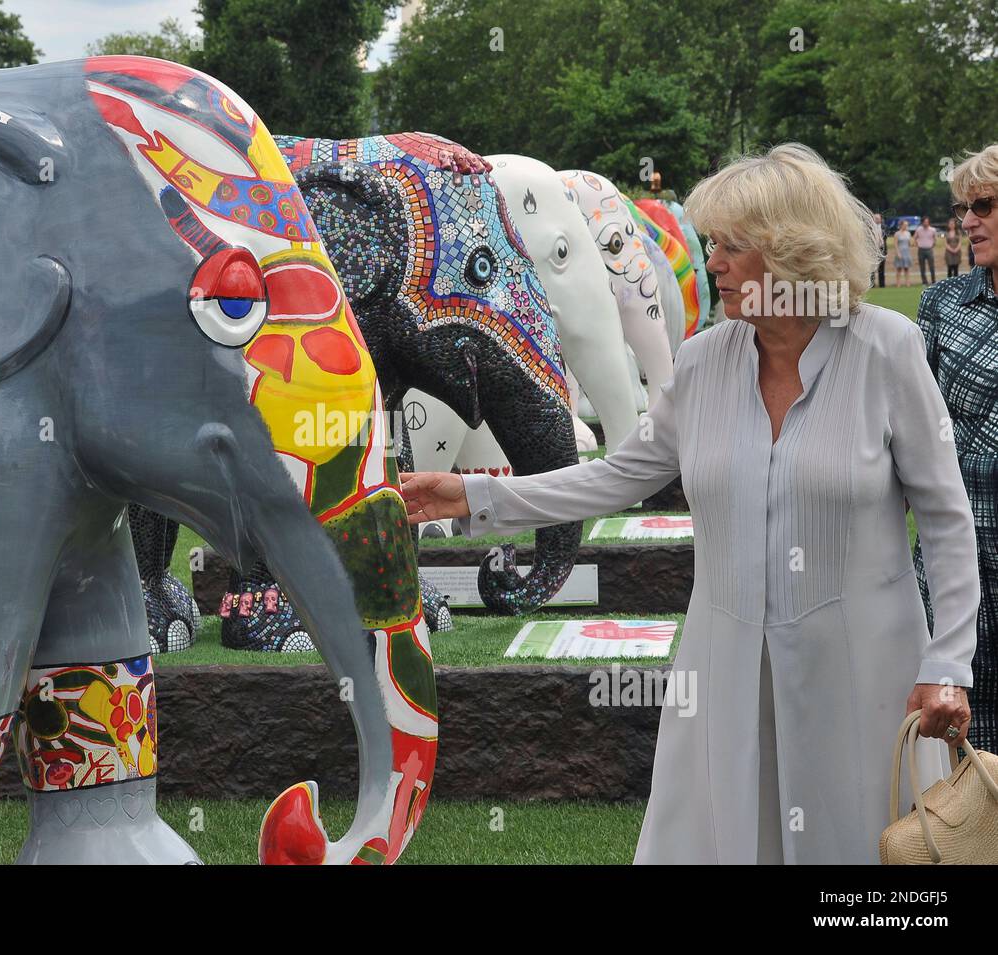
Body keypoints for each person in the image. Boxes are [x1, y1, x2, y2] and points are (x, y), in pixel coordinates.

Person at [400, 143, 978, 865]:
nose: (713, 264)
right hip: (724, 669)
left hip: (866, 674)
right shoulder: (704, 361)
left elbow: (948, 520)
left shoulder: (887, 348)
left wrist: (948, 660)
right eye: (712, 245)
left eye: (731, 246)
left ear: (792, 249)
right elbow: (620, 475)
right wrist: (478, 495)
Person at [915, 143, 998, 755]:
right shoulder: (943, 305)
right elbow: (900, 426)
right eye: (964, 208)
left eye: (984, 205)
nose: (967, 221)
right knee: (958, 727)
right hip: (958, 556)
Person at [915, 215, 938, 285]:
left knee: (931, 266)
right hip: (921, 249)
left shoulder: (933, 230)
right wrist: (917, 244)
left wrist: (933, 244)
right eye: (924, 222)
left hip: (929, 249)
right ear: (922, 222)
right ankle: (924, 282)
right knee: (922, 267)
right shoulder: (919, 229)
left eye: (927, 222)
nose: (926, 223)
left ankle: (933, 281)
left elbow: (935, 239)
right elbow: (915, 237)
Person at [894, 219, 912, 286]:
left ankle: (907, 283)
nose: (906, 226)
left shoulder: (908, 233)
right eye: (904, 225)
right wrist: (898, 253)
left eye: (907, 225)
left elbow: (909, 243)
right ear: (901, 225)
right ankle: (898, 283)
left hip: (906, 252)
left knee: (907, 268)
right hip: (900, 252)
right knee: (899, 268)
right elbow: (895, 244)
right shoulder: (897, 234)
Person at [872, 212, 888, 287]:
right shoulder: (870, 228)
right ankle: (872, 284)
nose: (876, 219)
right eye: (875, 218)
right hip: (873, 250)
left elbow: (886, 237)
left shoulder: (884, 227)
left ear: (881, 219)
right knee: (872, 269)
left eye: (878, 218)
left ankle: (882, 284)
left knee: (882, 268)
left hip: (882, 250)